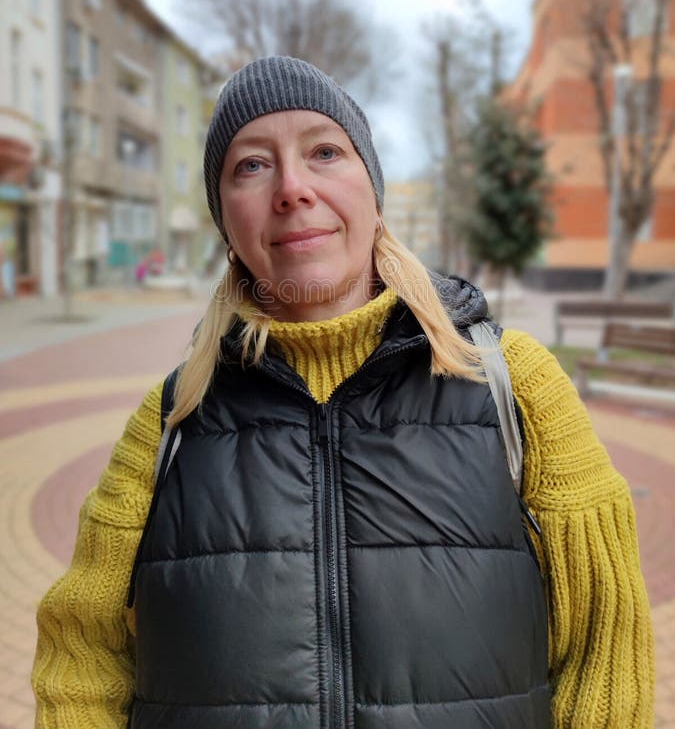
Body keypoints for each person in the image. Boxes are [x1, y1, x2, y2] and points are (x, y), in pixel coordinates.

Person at [32, 55, 654, 728]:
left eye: (324, 151)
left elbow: (604, 644)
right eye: (251, 165)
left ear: (373, 192)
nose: (292, 188)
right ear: (226, 223)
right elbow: (81, 659)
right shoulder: (171, 420)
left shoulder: (514, 386)